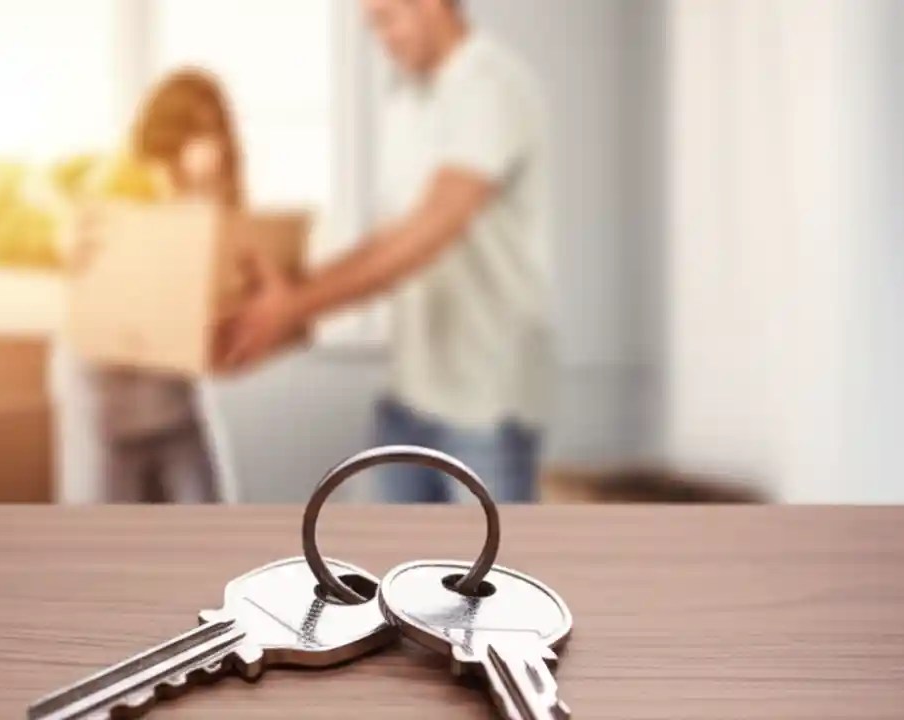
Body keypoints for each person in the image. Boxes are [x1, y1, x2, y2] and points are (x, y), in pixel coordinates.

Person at [221, 0, 552, 502]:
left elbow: (433, 226)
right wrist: (291, 296)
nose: (382, 38)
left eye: (386, 18)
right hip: (411, 395)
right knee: (389, 566)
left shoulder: (489, 84)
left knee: (490, 576)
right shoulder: (407, 97)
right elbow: (388, 241)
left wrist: (297, 303)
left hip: (487, 406)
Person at [74, 69, 245, 503]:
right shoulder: (120, 186)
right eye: (200, 131)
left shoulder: (215, 203)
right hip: (111, 419)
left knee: (208, 531)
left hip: (176, 411)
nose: (216, 147)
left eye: (217, 131)